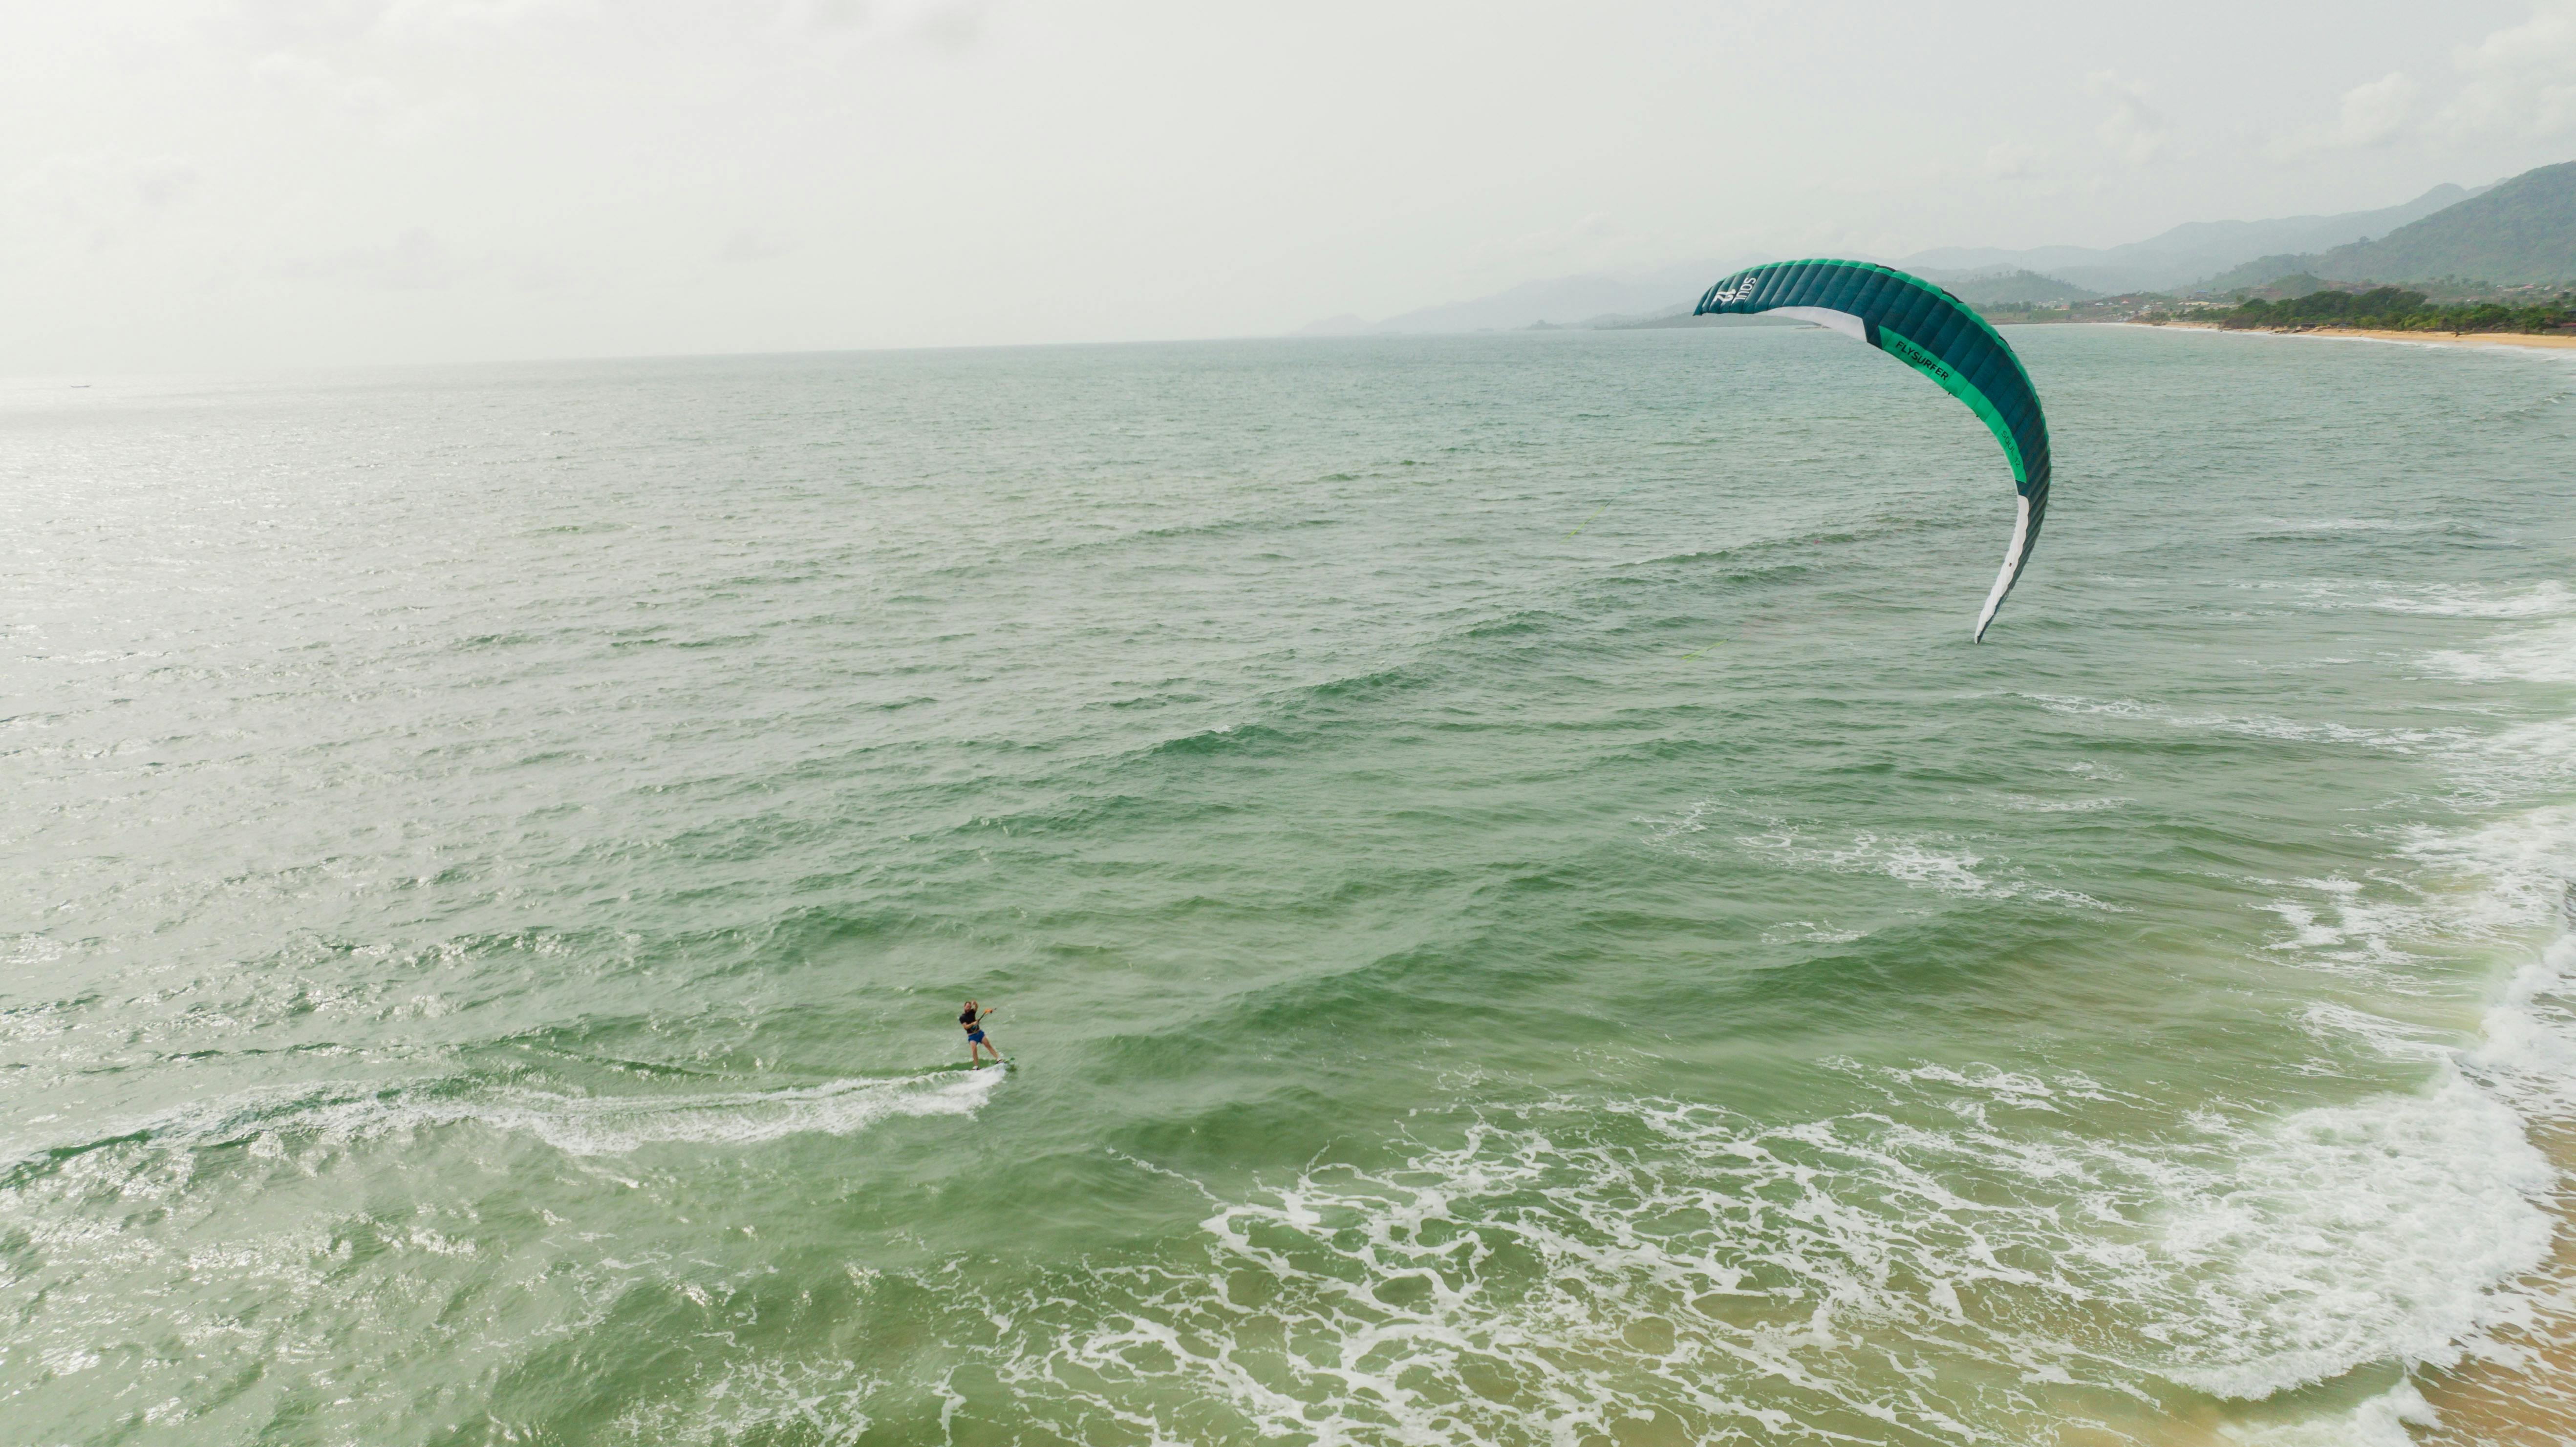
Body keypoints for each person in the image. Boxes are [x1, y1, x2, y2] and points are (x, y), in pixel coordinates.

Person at [959, 1000, 1002, 1065]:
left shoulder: (972, 1012)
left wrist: (975, 1004)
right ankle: (976, 1067)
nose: (969, 1008)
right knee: (974, 1051)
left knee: (988, 1045)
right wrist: (973, 1024)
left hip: (979, 1033)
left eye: (970, 1007)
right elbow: (966, 1027)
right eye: (967, 1007)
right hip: (972, 1037)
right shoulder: (962, 1017)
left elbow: (976, 1008)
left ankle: (999, 1060)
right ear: (964, 1007)